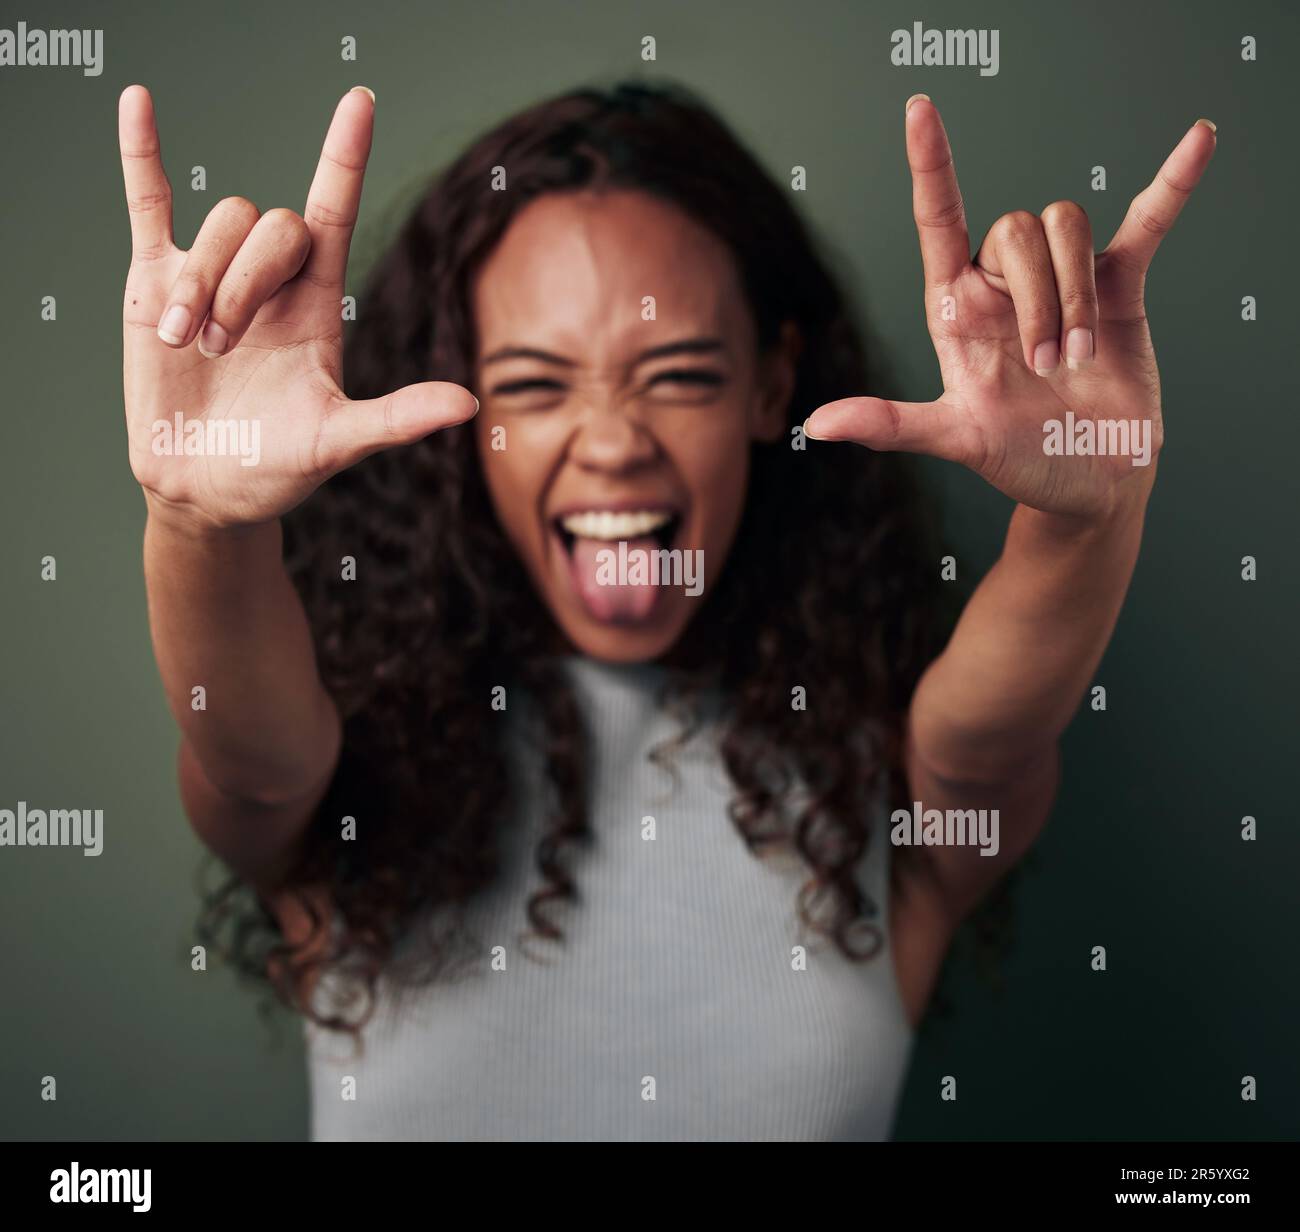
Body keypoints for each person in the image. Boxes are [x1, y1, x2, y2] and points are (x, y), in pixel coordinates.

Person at [117, 79, 1215, 1140]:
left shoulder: (882, 786)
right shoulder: (352, 780)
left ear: (770, 385)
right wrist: (197, 516)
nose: (612, 440)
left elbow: (989, 744)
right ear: (461, 404)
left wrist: (1088, 511)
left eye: (681, 373)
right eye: (537, 384)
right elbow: (251, 763)